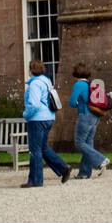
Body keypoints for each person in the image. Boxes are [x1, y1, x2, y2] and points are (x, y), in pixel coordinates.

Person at [21, 59, 71, 188]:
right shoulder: (47, 82)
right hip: (49, 117)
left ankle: (36, 180)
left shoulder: (34, 84)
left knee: (35, 150)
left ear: (31, 70)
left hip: (37, 119)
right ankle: (63, 167)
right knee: (42, 148)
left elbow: (34, 104)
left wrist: (25, 114)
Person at [68, 64, 110, 179]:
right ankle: (85, 173)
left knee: (79, 143)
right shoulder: (90, 84)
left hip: (85, 115)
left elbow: (72, 102)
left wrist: (78, 104)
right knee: (88, 143)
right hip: (96, 115)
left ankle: (101, 160)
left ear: (76, 74)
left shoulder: (78, 84)